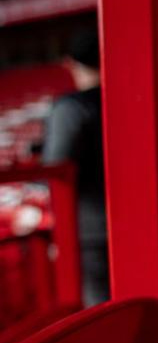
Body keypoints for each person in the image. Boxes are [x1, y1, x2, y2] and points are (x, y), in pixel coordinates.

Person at [42, 30, 109, 307]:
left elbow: (55, 163)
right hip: (136, 218)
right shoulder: (125, 98)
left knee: (101, 311)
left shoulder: (71, 108)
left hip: (88, 228)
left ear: (70, 63)